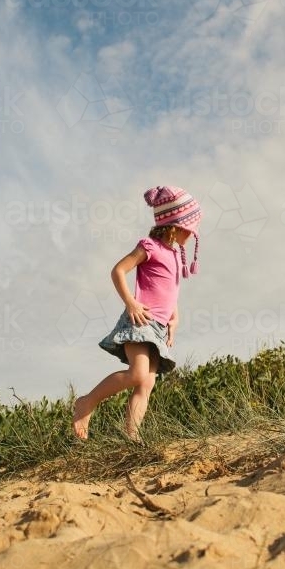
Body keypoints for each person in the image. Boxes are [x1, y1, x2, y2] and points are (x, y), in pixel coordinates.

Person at [72, 185, 202, 441]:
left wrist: (175, 318)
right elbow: (118, 270)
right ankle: (86, 402)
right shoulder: (149, 246)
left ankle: (132, 436)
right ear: (175, 225)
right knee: (138, 374)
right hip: (140, 321)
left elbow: (168, 289)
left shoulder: (175, 254)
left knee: (147, 383)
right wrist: (131, 302)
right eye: (190, 227)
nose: (193, 233)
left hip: (159, 328)